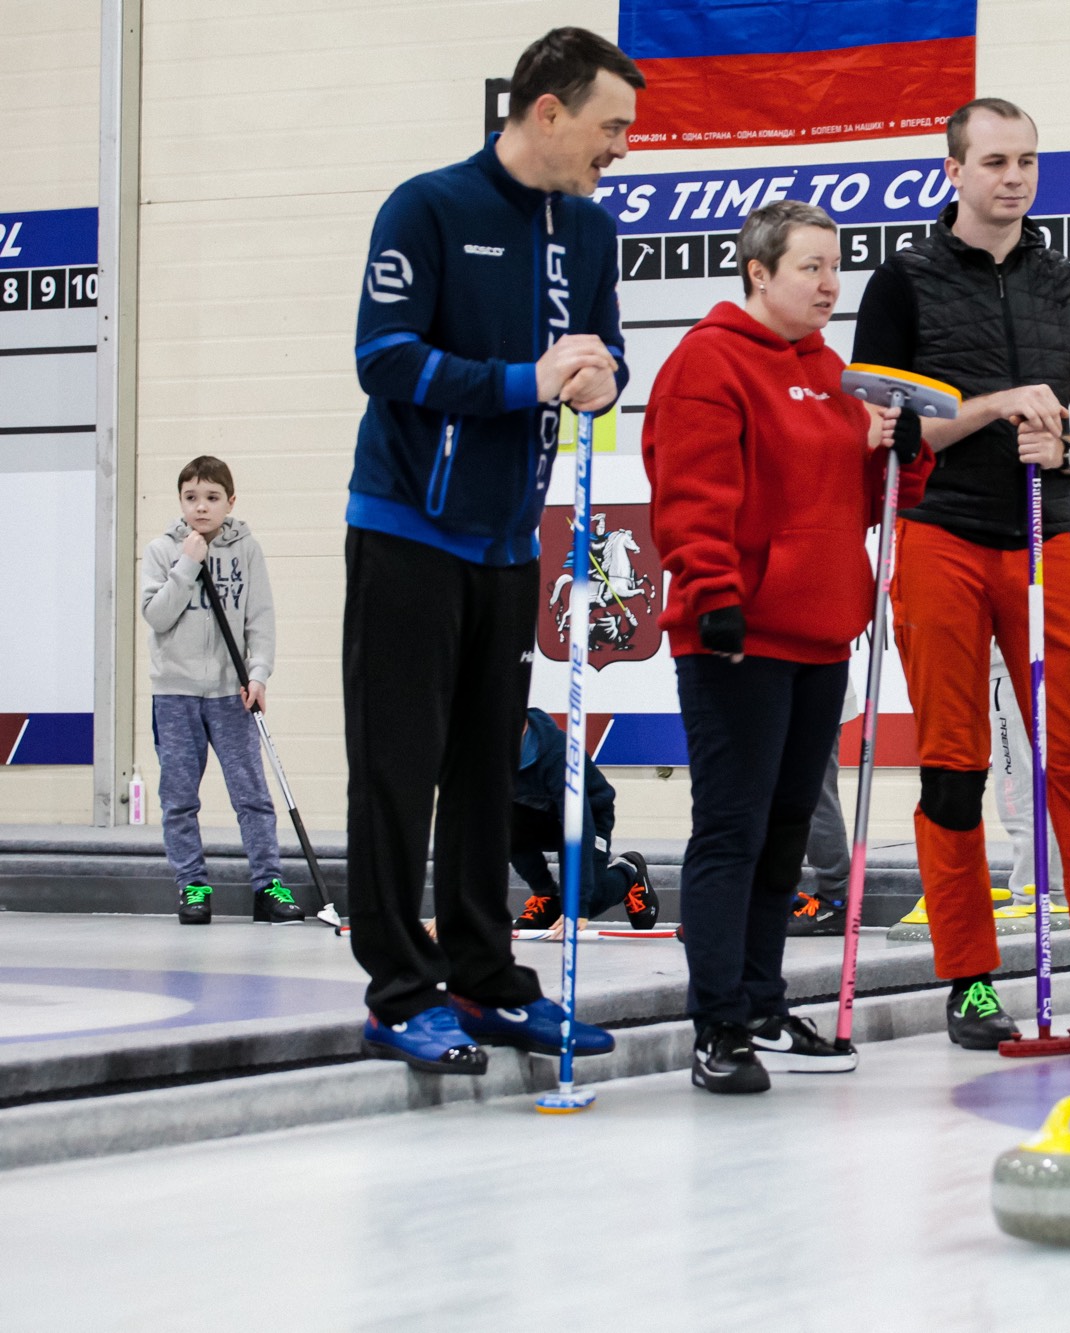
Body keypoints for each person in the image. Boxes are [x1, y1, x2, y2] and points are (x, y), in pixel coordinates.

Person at [852, 98, 1070, 1051]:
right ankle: (968, 980)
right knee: (954, 764)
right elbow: (889, 432)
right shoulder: (902, 284)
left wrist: (1065, 452)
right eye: (996, 160)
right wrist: (994, 408)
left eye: (1029, 161)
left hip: (1047, 541)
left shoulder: (1064, 284)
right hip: (940, 536)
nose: (1016, 177)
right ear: (954, 169)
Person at [343, 27, 639, 1074]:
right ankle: (396, 988)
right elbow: (382, 358)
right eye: (610, 128)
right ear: (547, 111)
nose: (620, 148)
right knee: (397, 769)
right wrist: (524, 379)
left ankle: (484, 976)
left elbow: (600, 352)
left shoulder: (591, 234)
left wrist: (605, 377)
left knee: (488, 770)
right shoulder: (427, 206)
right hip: (407, 529)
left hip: (510, 540)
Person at [644, 199, 932, 1095]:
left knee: (783, 835)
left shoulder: (832, 372)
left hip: (819, 634)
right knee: (732, 827)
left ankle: (762, 1002)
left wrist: (906, 452)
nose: (830, 284)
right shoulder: (708, 360)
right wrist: (714, 593)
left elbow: (870, 496)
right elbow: (691, 490)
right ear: (758, 273)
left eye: (834, 266)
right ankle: (717, 1021)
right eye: (810, 266)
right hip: (737, 636)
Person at [139, 455, 303, 926]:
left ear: (230, 502)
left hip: (231, 692)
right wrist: (187, 565)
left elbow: (260, 617)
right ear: (181, 501)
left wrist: (259, 673)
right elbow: (156, 615)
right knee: (179, 796)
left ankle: (267, 884)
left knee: (251, 792)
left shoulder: (246, 550)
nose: (201, 507)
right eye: (191, 498)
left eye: (212, 498)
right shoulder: (161, 550)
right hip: (175, 693)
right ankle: (192, 886)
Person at [509, 707, 659, 931]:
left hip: (590, 815)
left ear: (522, 728)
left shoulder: (557, 754)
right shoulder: (483, 752)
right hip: (537, 819)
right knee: (498, 823)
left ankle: (629, 872)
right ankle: (546, 896)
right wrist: (457, 908)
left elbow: (578, 827)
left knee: (590, 900)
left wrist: (577, 907)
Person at [785, 682, 858, 937]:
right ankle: (781, 896)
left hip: (803, 683)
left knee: (814, 795)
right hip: (787, 685)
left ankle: (834, 901)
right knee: (781, 796)